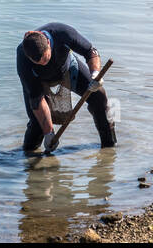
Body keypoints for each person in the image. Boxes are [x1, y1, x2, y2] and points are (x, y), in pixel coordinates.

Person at [17, 22, 116, 152]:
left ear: (48, 42)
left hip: (67, 69)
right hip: (39, 81)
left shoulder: (63, 33)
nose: (43, 64)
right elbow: (37, 99)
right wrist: (49, 133)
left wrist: (95, 73)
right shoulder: (22, 57)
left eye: (46, 59)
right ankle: (28, 157)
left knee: (98, 96)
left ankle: (109, 148)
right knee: (38, 123)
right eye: (39, 63)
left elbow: (90, 52)